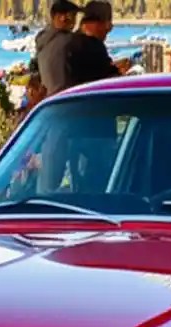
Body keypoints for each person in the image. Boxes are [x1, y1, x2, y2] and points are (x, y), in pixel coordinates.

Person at [36, 1, 129, 192]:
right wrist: (116, 74)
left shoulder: (47, 45)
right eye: (106, 24)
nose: (108, 30)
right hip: (89, 131)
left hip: (54, 125)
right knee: (94, 189)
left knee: (47, 188)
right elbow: (105, 86)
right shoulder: (87, 46)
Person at [29, 0, 82, 97]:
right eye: (74, 16)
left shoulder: (43, 40)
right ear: (63, 18)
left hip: (49, 99)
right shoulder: (67, 41)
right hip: (66, 98)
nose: (75, 21)